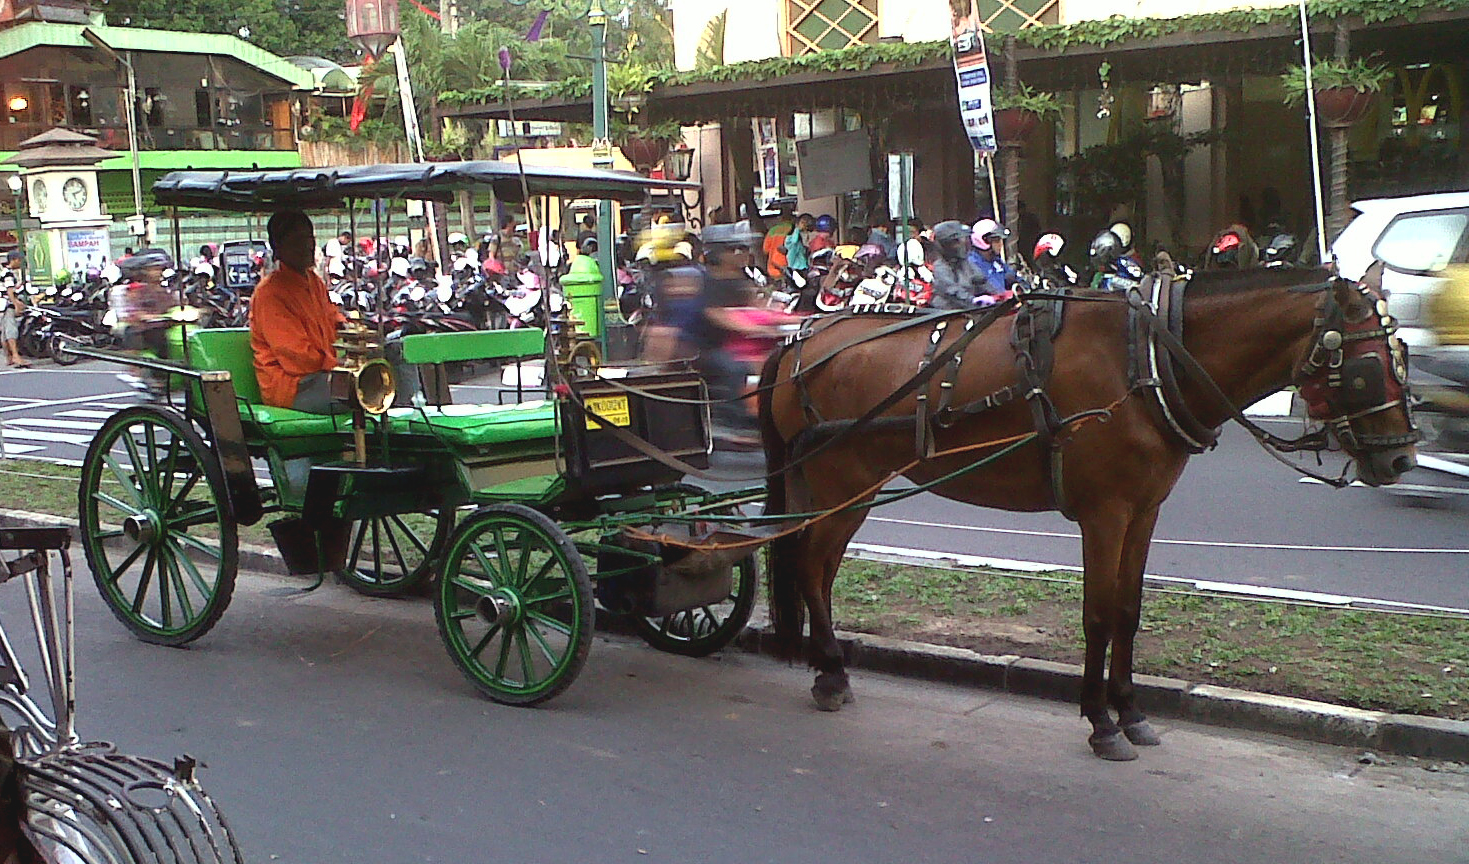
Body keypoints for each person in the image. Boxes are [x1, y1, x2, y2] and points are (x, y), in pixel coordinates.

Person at [249, 210, 346, 412]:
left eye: (310, 238)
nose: (307, 246)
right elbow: (297, 358)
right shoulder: (270, 293)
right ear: (279, 249)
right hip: (293, 387)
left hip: (322, 375)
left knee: (392, 357)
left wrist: (358, 336)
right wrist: (337, 363)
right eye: (297, 241)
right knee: (358, 393)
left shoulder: (314, 282)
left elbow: (334, 319)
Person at [929, 220, 993, 310]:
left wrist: (997, 296)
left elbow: (981, 281)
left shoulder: (966, 263)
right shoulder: (940, 267)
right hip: (947, 313)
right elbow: (951, 291)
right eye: (957, 242)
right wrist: (973, 301)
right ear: (946, 245)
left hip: (970, 310)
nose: (963, 244)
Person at [968, 219, 1019, 297]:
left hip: (1004, 305)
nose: (1001, 244)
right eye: (997, 240)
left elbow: (1014, 277)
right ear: (984, 240)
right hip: (988, 307)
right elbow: (992, 289)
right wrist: (1005, 295)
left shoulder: (997, 261)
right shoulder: (972, 263)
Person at [2, 253, 28, 367]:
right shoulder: (8, 273)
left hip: (1, 305)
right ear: (14, 260)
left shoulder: (3, 271)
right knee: (11, 330)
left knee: (4, 332)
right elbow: (9, 291)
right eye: (19, 260)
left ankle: (9, 357)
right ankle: (16, 356)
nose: (20, 263)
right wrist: (16, 304)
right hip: (7, 305)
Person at [762, 203, 796, 280]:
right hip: (790, 268)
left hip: (774, 268)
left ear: (780, 218)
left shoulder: (773, 230)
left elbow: (765, 250)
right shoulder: (794, 229)